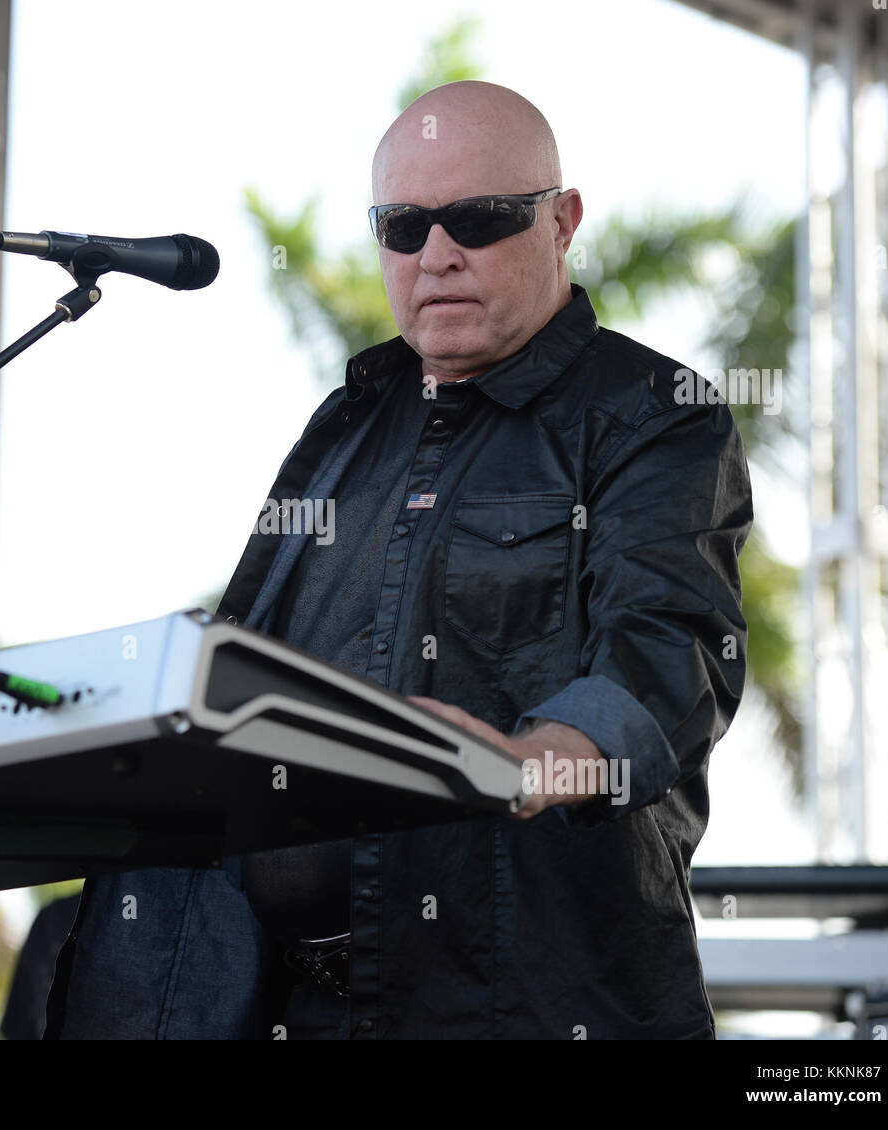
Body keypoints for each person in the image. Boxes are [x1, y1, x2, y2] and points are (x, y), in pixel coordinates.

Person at [43, 80, 753, 1039]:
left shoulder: (650, 413)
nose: (439, 253)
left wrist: (531, 762)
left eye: (479, 217)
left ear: (563, 221)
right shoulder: (345, 427)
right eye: (404, 226)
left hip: (518, 1010)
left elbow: (673, 655)